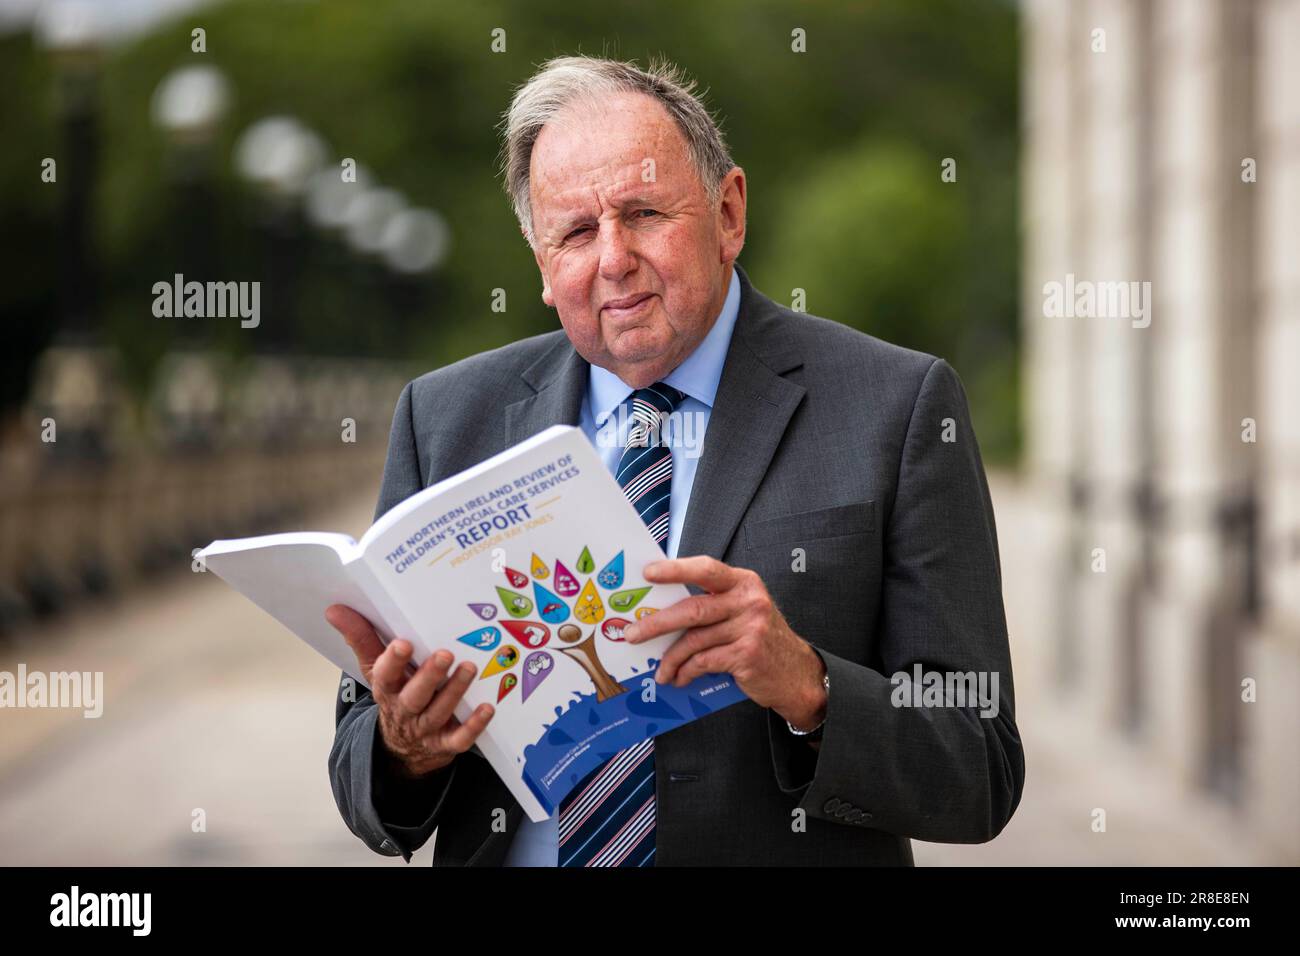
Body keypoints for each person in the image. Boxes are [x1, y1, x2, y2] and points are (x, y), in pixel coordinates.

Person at [325, 54, 1024, 866]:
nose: (613, 257)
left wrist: (810, 688)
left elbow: (980, 765)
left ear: (729, 212)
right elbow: (358, 772)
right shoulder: (444, 420)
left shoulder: (896, 407)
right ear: (540, 262)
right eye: (577, 232)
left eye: (645, 211)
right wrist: (404, 747)